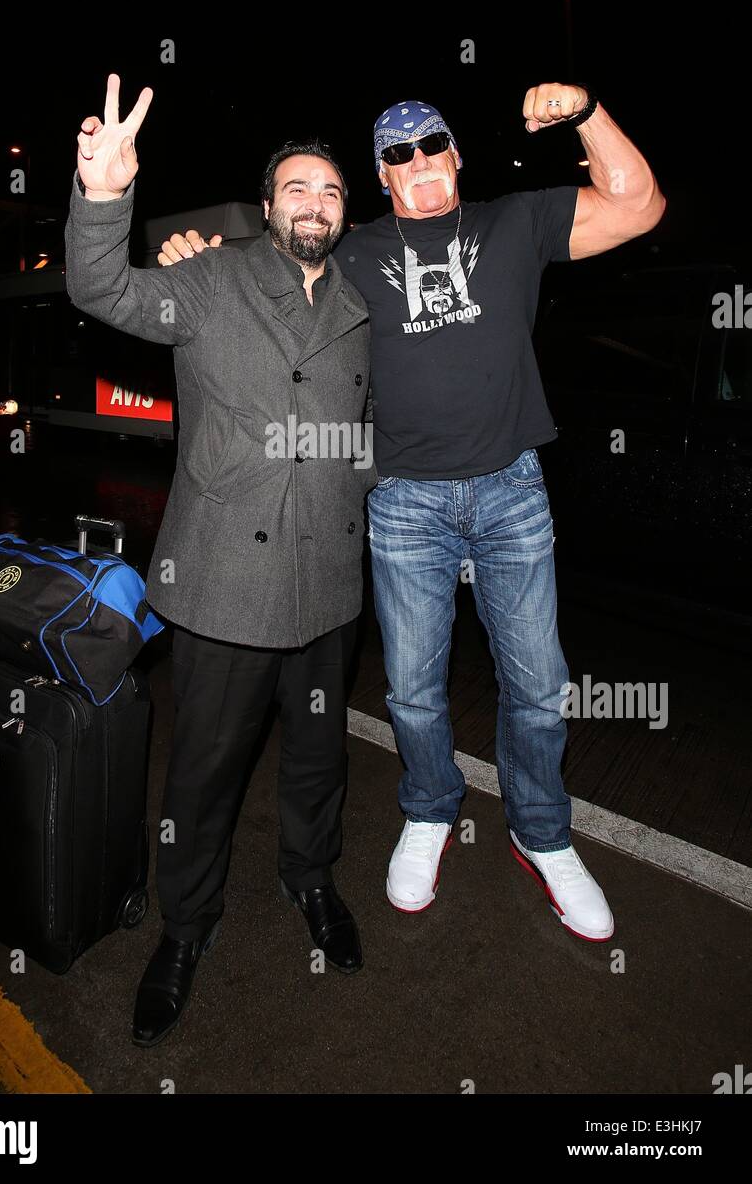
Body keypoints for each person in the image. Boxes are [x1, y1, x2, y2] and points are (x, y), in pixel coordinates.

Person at [157, 81, 666, 942]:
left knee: (539, 689)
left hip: (510, 491)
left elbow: (639, 206)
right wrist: (190, 250)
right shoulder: (350, 252)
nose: (418, 162)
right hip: (401, 503)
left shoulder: (516, 222)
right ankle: (430, 811)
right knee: (416, 694)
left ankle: (542, 836)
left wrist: (585, 116)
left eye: (433, 145)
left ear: (457, 156)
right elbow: (257, 269)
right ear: (381, 178)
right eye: (397, 155)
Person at [64, 74, 377, 1047]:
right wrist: (103, 196)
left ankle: (309, 879)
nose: (313, 202)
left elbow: (370, 429)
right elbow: (100, 287)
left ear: (341, 209)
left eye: (327, 190)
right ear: (266, 204)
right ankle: (184, 931)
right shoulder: (210, 277)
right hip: (224, 589)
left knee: (316, 764)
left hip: (326, 589)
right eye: (295, 187)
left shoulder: (366, 303)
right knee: (200, 780)